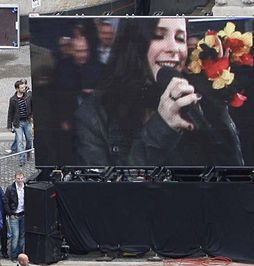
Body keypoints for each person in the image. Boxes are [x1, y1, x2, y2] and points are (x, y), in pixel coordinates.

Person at [74, 18, 244, 166]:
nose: (173, 48)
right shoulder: (94, 115)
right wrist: (162, 128)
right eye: (158, 35)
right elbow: (106, 197)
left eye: (180, 38)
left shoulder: (196, 100)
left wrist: (217, 108)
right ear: (134, 43)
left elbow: (235, 180)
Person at [7, 80, 33, 166]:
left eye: (24, 87)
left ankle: (28, 152)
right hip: (18, 123)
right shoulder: (13, 99)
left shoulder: (28, 96)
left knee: (29, 139)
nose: (24, 88)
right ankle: (22, 159)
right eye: (22, 87)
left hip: (27, 121)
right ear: (17, 89)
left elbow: (33, 107)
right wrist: (9, 125)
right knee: (19, 142)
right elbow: (10, 113)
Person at [5, 170, 26, 260]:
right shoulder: (10, 188)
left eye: (21, 178)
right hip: (14, 215)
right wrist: (10, 213)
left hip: (23, 214)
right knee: (15, 235)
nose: (20, 180)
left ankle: (20, 255)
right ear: (15, 178)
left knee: (22, 236)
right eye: (18, 178)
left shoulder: (26, 187)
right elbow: (6, 202)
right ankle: (13, 255)